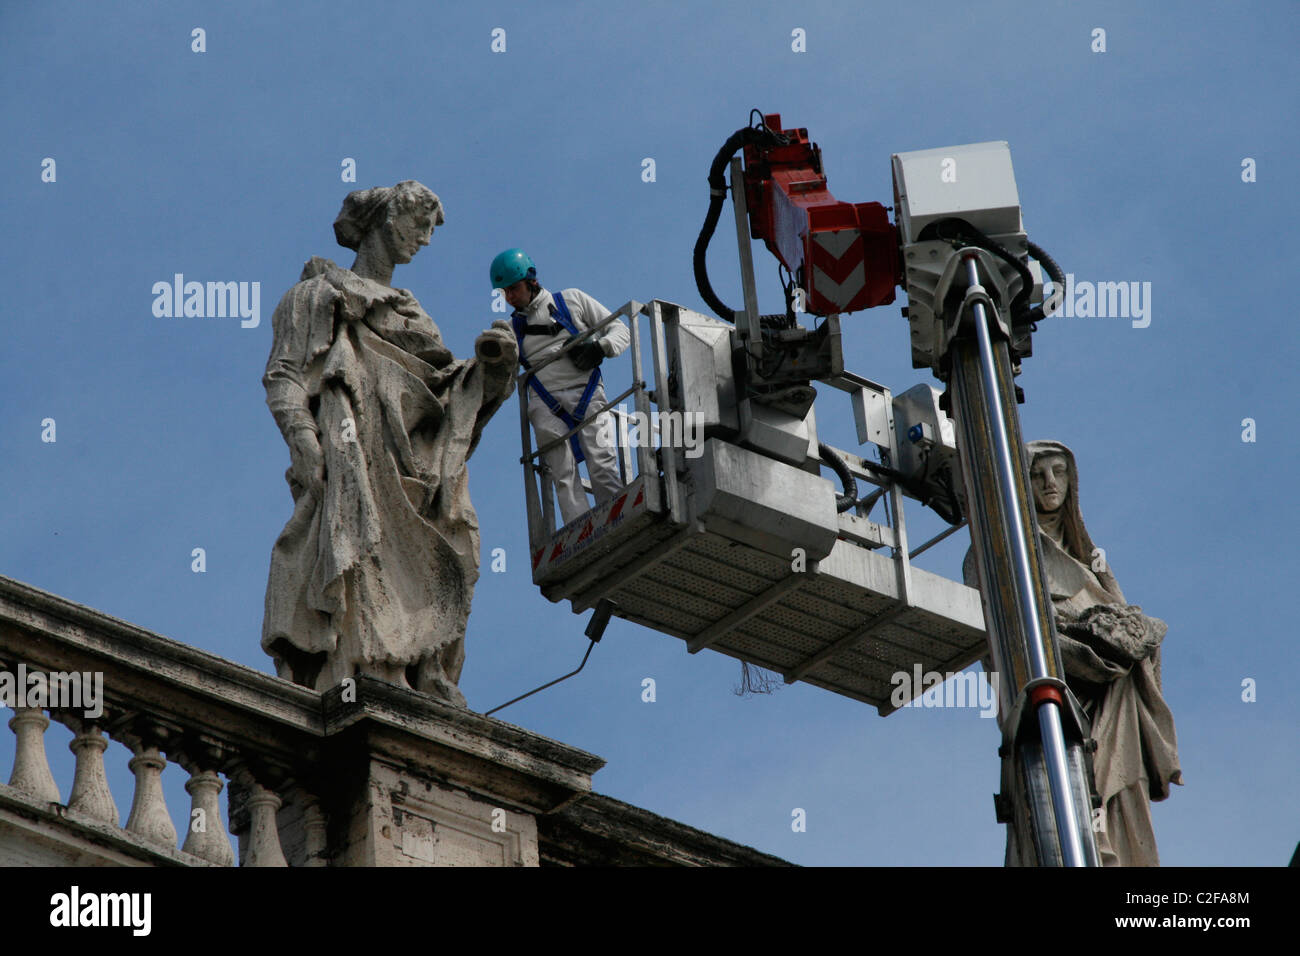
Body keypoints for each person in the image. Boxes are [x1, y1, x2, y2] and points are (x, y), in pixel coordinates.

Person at [261, 181, 518, 706]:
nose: (424, 239)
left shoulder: (413, 316)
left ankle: (416, 670)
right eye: (418, 224)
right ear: (383, 221)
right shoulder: (319, 294)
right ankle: (357, 667)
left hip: (410, 461)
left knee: (432, 553)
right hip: (351, 440)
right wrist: (304, 439)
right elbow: (284, 375)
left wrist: (490, 374)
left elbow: (443, 398)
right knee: (360, 547)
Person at [966, 440, 1182, 865]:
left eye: (1059, 472)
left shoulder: (1090, 556)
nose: (1050, 483)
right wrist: (1077, 637)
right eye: (1037, 473)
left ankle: (1106, 837)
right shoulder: (995, 552)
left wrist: (1125, 639)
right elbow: (999, 632)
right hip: (1053, 688)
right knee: (1060, 784)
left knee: (1112, 784)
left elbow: (1127, 621)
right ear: (1020, 483)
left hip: (1111, 693)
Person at [491, 248, 630, 525]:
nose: (509, 297)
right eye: (504, 292)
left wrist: (600, 347)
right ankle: (582, 533)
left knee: (602, 464)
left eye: (513, 288)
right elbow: (499, 374)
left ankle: (619, 521)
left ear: (531, 281)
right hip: (545, 404)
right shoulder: (511, 330)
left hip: (586, 392)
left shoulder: (571, 300)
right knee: (563, 475)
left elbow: (620, 329)